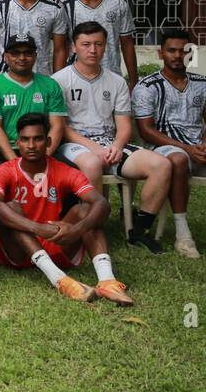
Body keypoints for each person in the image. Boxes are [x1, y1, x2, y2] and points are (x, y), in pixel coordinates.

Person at [0, 112, 134, 305]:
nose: (31, 146)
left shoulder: (65, 170)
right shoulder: (2, 171)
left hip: (57, 241)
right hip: (17, 251)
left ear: (48, 141)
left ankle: (107, 281)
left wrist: (77, 229)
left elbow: (102, 204)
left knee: (87, 211)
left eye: (37, 139)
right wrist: (37, 228)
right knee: (10, 207)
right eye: (25, 140)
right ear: (18, 142)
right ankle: (59, 280)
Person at [53, 21, 170, 253]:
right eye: (85, 44)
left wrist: (117, 146)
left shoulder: (116, 81)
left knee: (161, 165)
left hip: (109, 143)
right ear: (73, 47)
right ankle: (92, 229)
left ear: (106, 46)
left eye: (98, 44)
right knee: (93, 163)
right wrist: (93, 148)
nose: (92, 50)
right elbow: (62, 127)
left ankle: (139, 230)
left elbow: (124, 125)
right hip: (74, 144)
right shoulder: (59, 80)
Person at [133, 28, 206, 259]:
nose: (177, 55)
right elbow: (146, 130)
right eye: (171, 50)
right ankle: (183, 236)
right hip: (165, 148)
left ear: (191, 53)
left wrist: (204, 145)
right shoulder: (147, 86)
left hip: (199, 147)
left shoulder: (204, 84)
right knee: (179, 159)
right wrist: (188, 149)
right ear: (160, 53)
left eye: (183, 51)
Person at [0, 34, 67, 166]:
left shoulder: (50, 85)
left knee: (73, 173)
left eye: (28, 53)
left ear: (35, 56)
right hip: (8, 151)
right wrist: (15, 162)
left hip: (43, 150)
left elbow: (57, 125)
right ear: (5, 57)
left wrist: (43, 157)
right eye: (15, 53)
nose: (22, 58)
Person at [60, 0, 137, 87]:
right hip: (76, 82)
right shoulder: (65, 6)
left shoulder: (118, 2)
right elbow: (61, 48)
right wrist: (58, 81)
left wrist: (133, 82)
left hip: (111, 78)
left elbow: (127, 43)